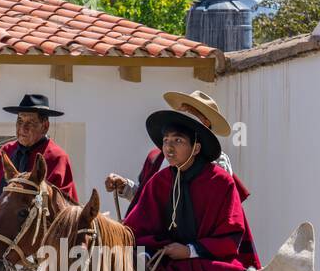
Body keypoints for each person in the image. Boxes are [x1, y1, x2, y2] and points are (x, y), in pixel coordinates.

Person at [123, 107, 259, 271]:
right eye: (166, 140)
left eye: (178, 141)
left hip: (208, 263)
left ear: (196, 148)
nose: (168, 147)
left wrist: (189, 251)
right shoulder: (159, 182)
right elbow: (136, 227)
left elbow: (230, 237)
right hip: (166, 261)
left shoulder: (220, 182)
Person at [105, 90, 246, 216]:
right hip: (157, 237)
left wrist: (191, 246)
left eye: (189, 113)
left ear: (205, 122)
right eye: (181, 112)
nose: (182, 117)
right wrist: (125, 186)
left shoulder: (216, 162)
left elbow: (218, 210)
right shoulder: (157, 157)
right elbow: (148, 199)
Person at [0, 93, 78, 227]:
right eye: (20, 121)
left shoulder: (57, 158)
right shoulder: (4, 154)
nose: (22, 128)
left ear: (45, 126)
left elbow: (62, 213)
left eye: (30, 123)